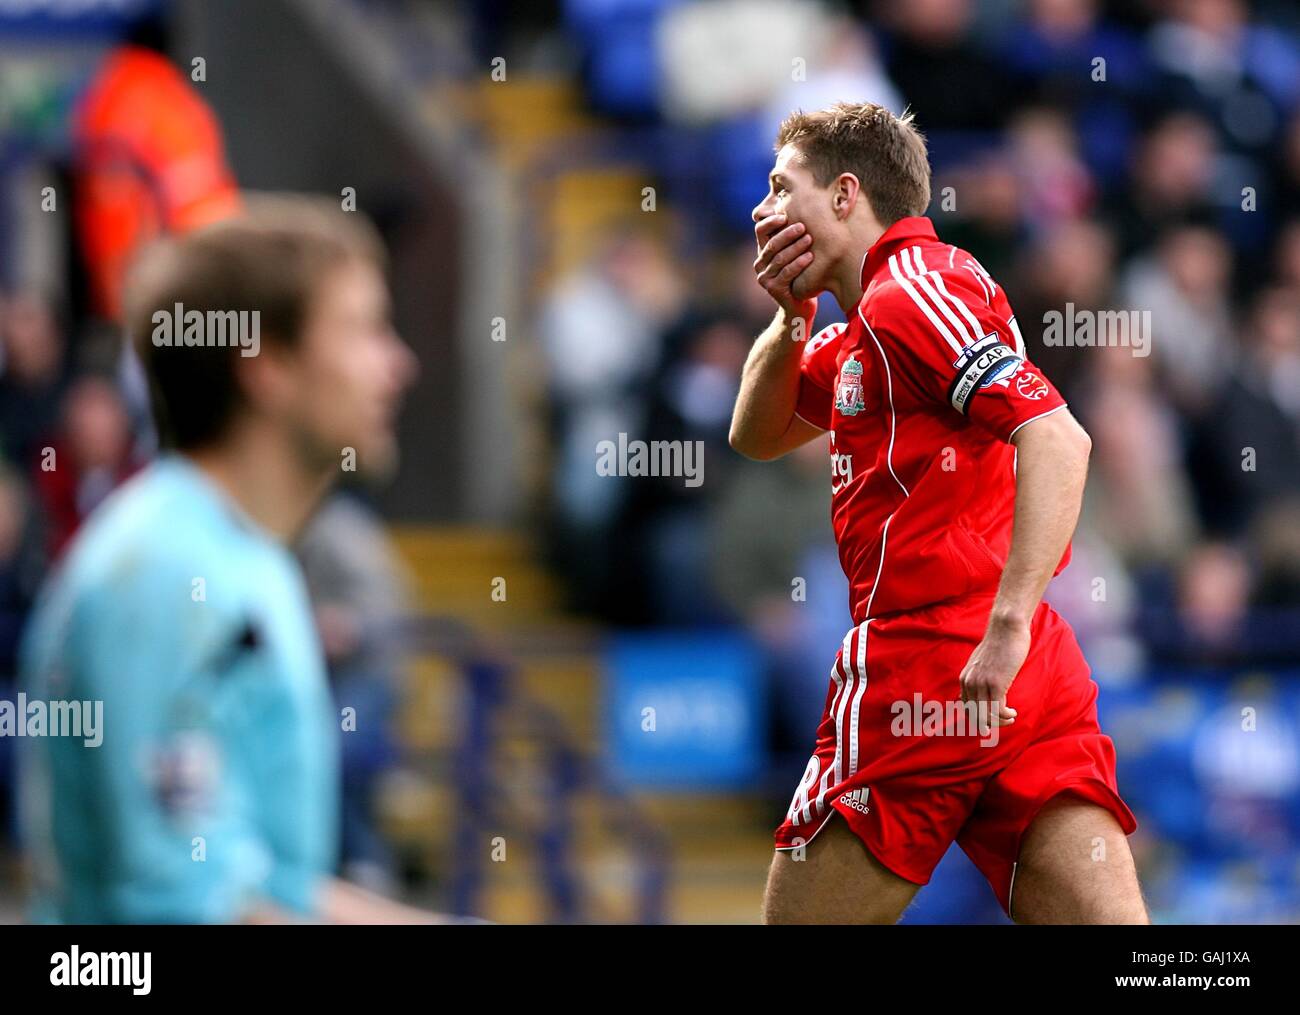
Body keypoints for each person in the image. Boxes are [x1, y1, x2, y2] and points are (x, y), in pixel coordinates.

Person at [730, 102, 1146, 924]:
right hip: (1022, 678)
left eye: (781, 186)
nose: (760, 209)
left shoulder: (910, 297)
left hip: (930, 662)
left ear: (845, 195)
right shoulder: (870, 323)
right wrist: (789, 316)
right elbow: (757, 433)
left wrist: (1007, 622)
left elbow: (1057, 436)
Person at [17, 197, 436, 923]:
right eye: (365, 330)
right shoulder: (167, 574)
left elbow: (266, 888)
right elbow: (188, 909)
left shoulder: (238, 558)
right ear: (265, 366)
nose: (399, 364)